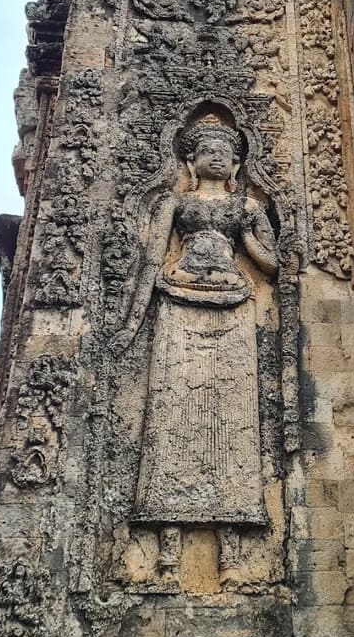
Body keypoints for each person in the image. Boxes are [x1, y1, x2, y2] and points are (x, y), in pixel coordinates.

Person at [111, 113, 278, 580]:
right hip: (178, 301)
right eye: (208, 151)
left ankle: (233, 561)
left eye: (225, 153)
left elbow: (273, 265)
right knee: (173, 424)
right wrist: (130, 322)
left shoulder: (247, 209)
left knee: (232, 426)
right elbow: (149, 259)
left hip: (233, 302)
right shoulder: (174, 203)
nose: (217, 158)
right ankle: (166, 560)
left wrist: (246, 236)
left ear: (239, 162)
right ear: (190, 158)